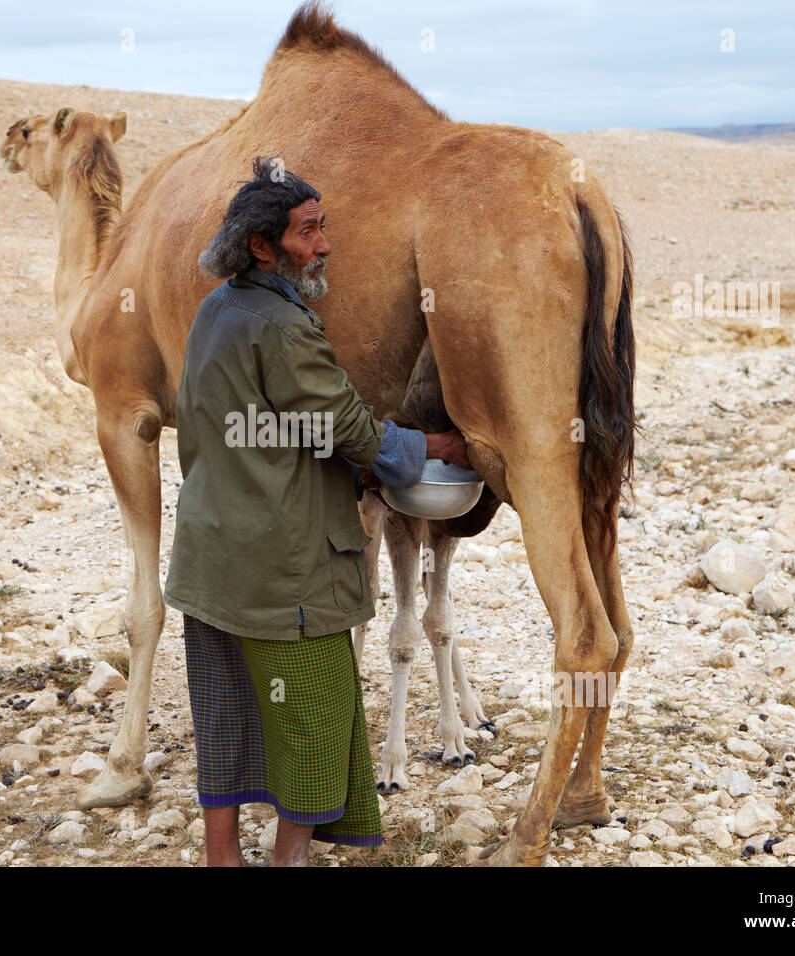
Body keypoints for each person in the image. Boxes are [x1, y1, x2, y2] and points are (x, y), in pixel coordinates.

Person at [165, 155, 470, 866]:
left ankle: (222, 856)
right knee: (317, 712)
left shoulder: (217, 310)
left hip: (210, 558)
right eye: (308, 232)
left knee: (225, 710)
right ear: (263, 247)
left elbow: (262, 423)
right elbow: (351, 430)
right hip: (285, 567)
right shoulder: (284, 327)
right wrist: (430, 444)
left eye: (324, 227)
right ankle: (287, 858)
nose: (325, 245)